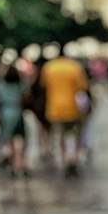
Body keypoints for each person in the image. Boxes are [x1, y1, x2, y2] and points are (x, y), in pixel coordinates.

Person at [40, 48, 89, 176]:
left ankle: (65, 158)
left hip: (54, 107)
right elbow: (83, 87)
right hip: (72, 107)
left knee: (60, 135)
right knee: (75, 134)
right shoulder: (74, 67)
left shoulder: (49, 67)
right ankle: (74, 160)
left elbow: (43, 85)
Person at [0, 64, 27, 175]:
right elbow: (26, 93)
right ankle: (20, 162)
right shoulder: (20, 85)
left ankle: (13, 163)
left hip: (5, 113)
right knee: (20, 139)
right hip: (17, 112)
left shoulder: (1, 85)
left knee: (10, 140)